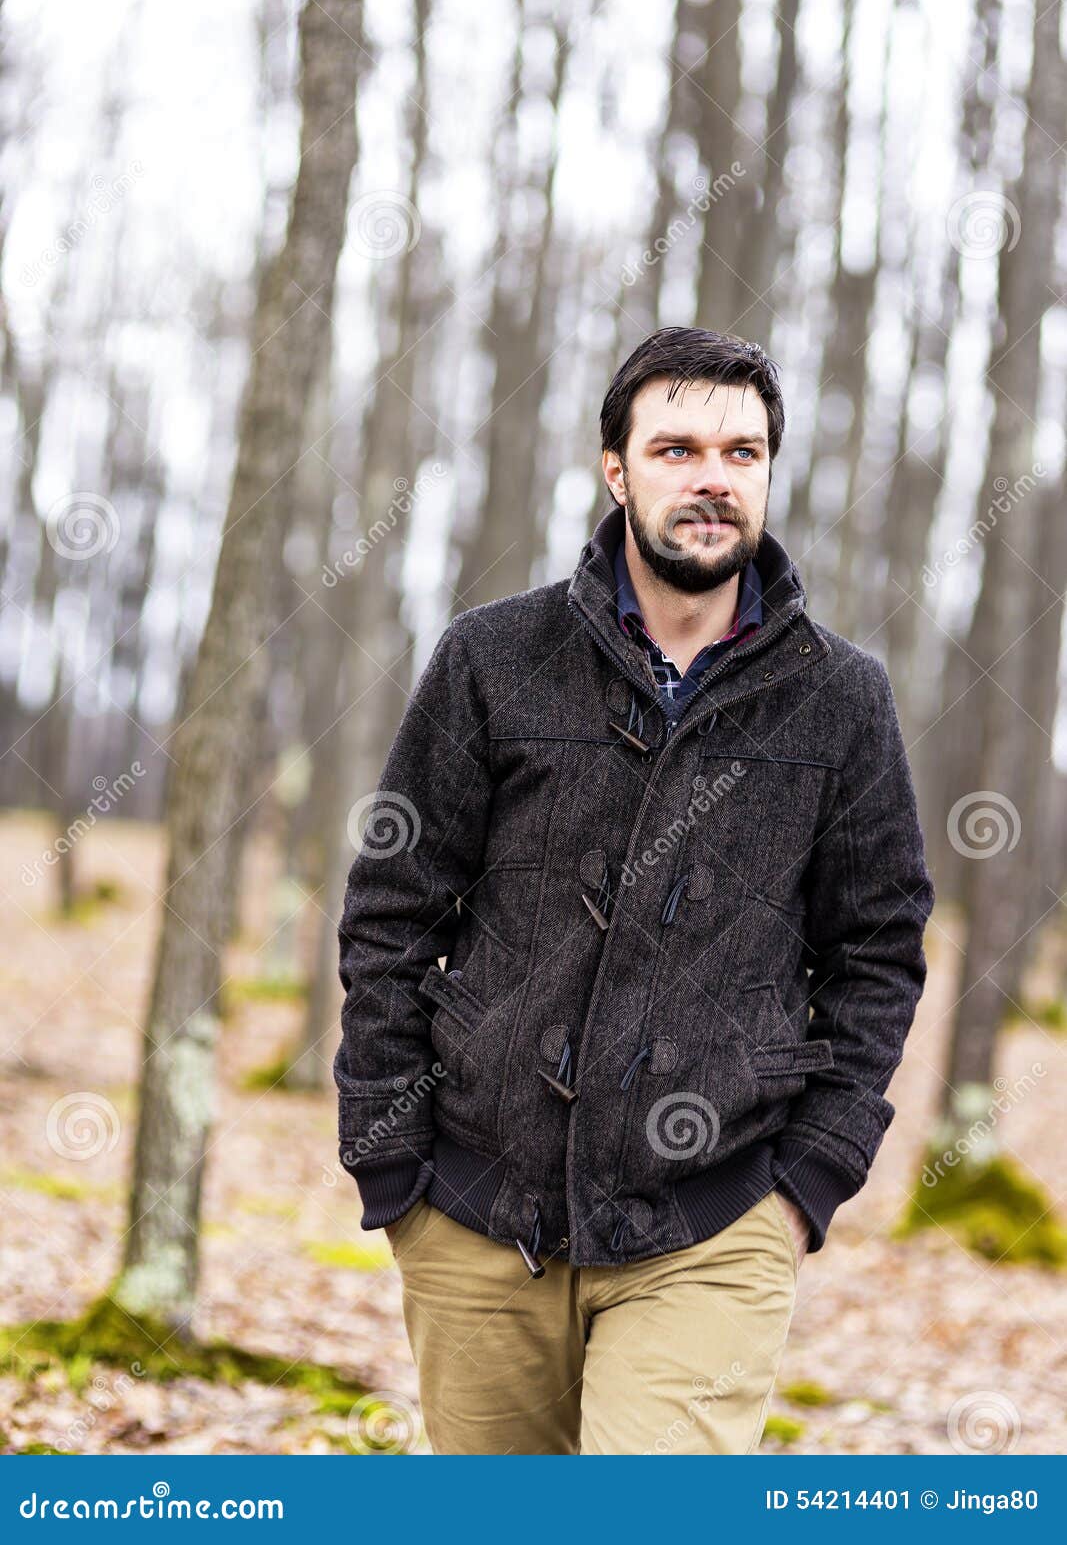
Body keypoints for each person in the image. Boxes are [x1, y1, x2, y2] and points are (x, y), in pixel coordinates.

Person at [333, 325, 935, 1455]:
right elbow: (392, 909)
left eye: (741, 452)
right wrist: (388, 1148)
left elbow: (877, 949)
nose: (712, 477)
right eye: (676, 449)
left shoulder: (839, 698)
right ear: (616, 472)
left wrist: (809, 1174)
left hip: (710, 1222)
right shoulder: (490, 657)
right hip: (473, 1214)